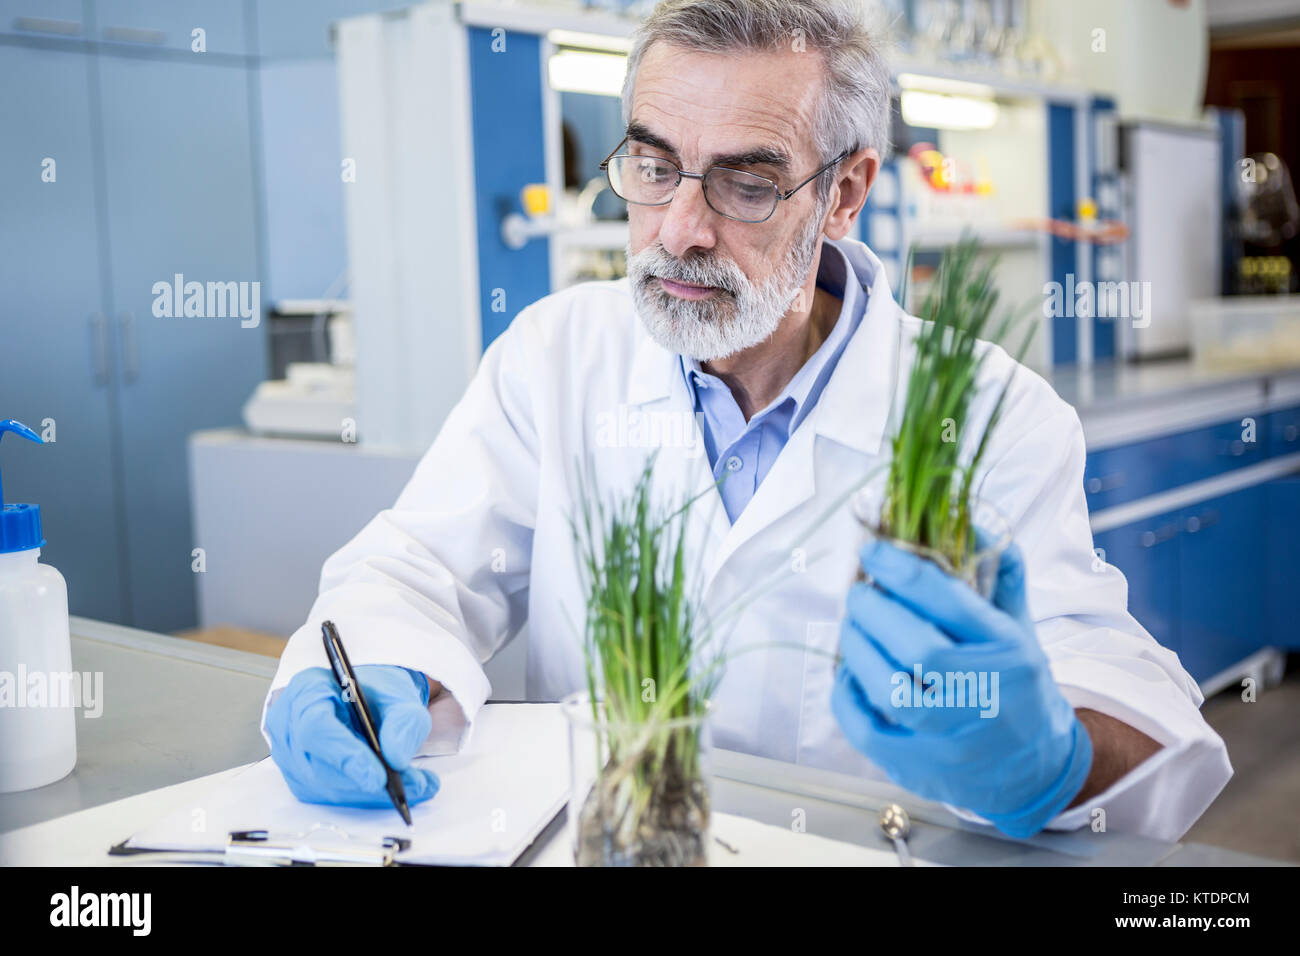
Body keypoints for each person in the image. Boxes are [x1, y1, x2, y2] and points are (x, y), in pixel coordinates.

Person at [263, 0, 1230, 842]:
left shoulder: (992, 415)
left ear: (845, 192)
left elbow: (1140, 704)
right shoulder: (553, 355)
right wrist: (373, 663)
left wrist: (1048, 755)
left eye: (747, 183)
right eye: (652, 166)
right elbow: (419, 571)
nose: (680, 227)